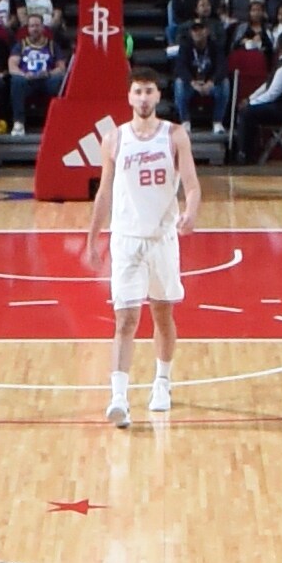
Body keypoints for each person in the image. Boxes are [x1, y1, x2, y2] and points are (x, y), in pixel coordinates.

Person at [83, 73, 200, 426]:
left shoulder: (175, 135)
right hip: (126, 239)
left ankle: (162, 381)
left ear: (158, 95)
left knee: (162, 315)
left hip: (162, 238)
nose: (144, 97)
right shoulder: (115, 139)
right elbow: (104, 192)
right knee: (125, 319)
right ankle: (118, 397)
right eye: (138, 91)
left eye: (149, 91)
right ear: (130, 97)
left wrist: (191, 213)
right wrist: (92, 239)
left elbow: (192, 186)